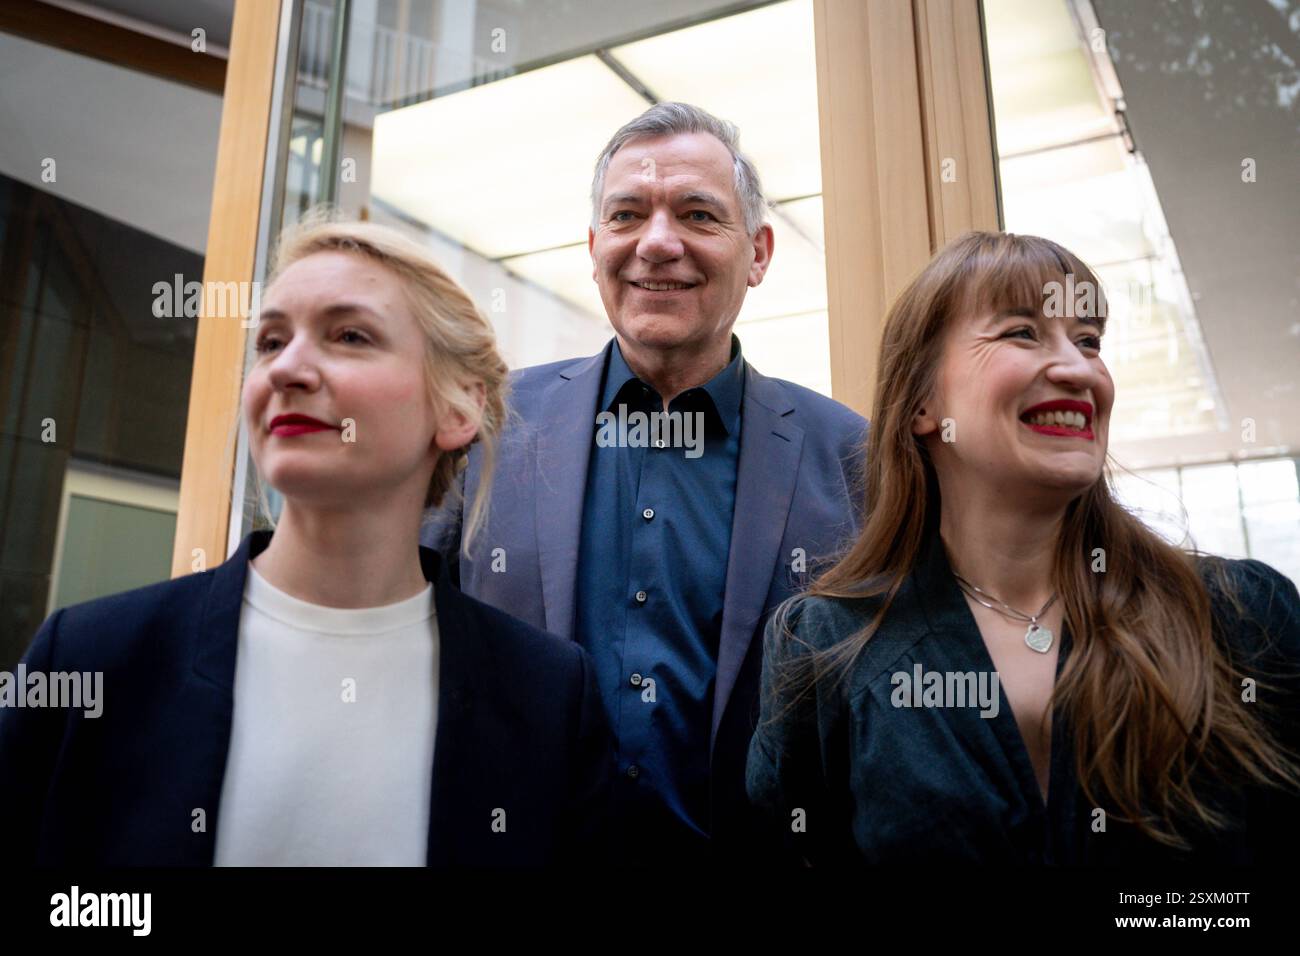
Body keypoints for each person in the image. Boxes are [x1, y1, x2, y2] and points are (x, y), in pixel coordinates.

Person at [0, 216, 615, 866]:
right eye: (270, 341)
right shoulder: (94, 658)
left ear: (459, 408)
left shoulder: (547, 697)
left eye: (349, 335)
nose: (288, 368)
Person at [746, 231, 1300, 864]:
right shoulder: (824, 644)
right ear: (923, 403)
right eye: (1022, 333)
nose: (1078, 368)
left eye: (1089, 341)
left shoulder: (1243, 616)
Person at [424, 102, 867, 863]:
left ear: (757, 253)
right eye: (628, 216)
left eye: (698, 215)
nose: (658, 244)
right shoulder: (484, 429)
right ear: (595, 246)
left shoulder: (851, 457)